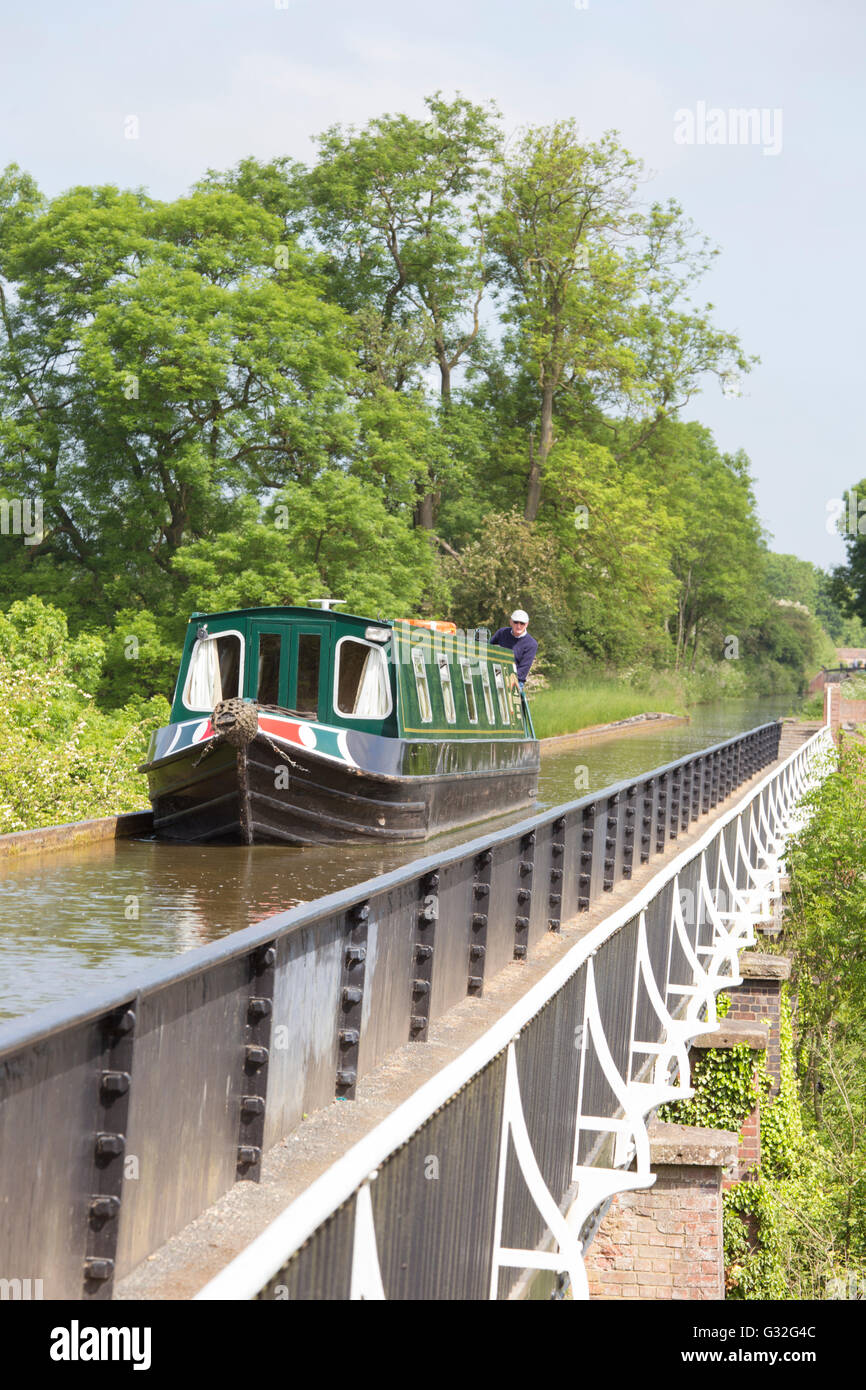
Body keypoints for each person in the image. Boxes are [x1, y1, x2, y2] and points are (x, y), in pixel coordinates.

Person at [490, 610, 538, 692]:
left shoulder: (531, 644)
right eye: (516, 622)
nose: (518, 626)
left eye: (522, 623)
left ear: (527, 624)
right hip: (498, 673)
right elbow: (488, 647)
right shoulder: (502, 632)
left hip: (516, 679)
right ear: (511, 622)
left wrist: (507, 681)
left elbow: (523, 669)